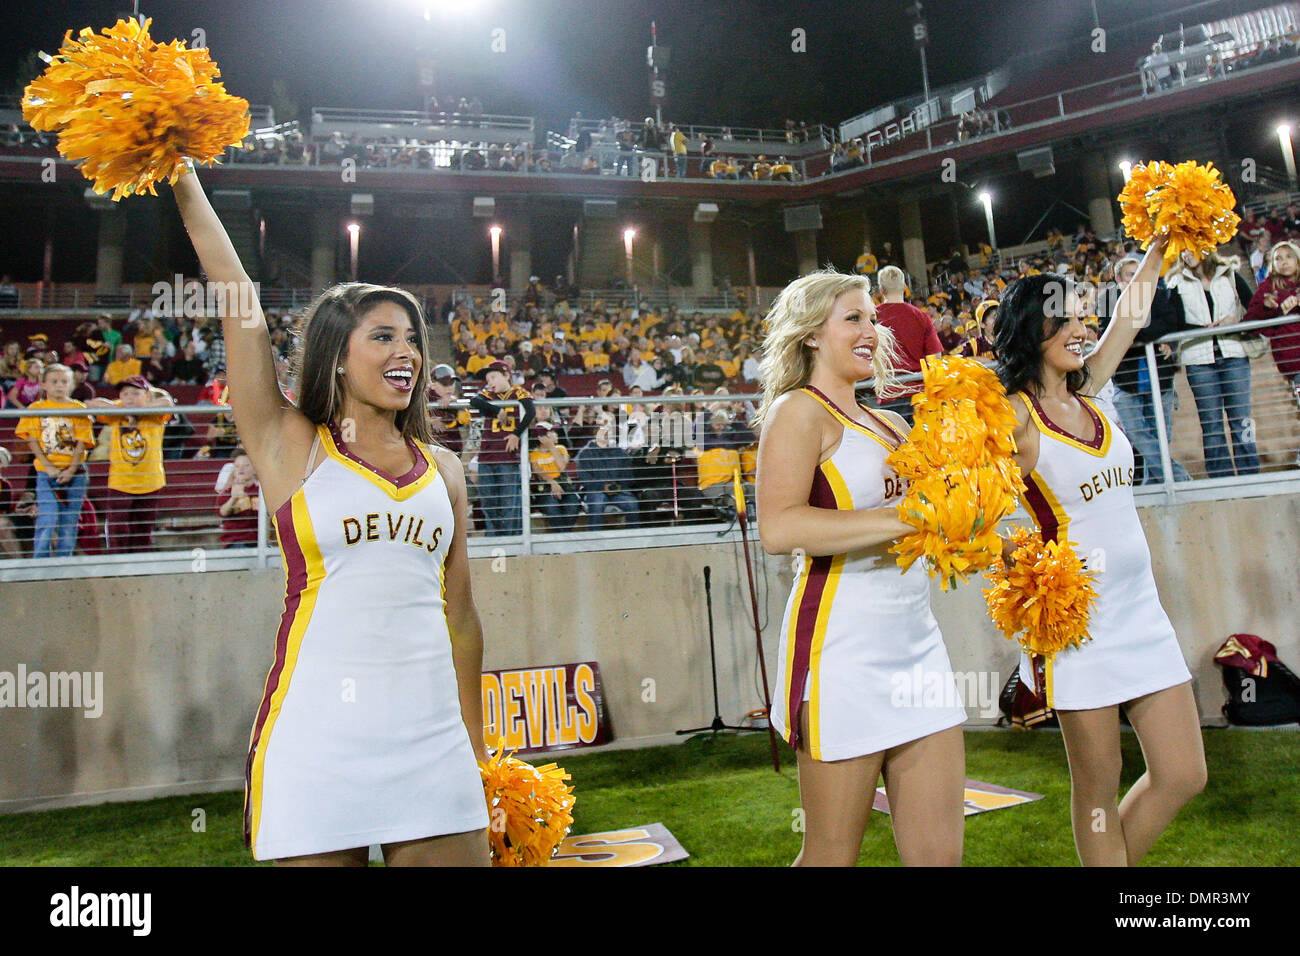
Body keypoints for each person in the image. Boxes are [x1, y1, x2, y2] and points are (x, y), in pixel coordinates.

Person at [172, 165, 489, 865]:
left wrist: (476, 747)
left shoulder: (445, 472)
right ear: (338, 359)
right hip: (316, 738)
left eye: (410, 337)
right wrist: (182, 175)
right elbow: (238, 298)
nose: (405, 351)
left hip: (433, 738)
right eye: (382, 337)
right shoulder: (291, 446)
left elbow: (462, 622)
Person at [994, 236, 1206, 866]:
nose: (1082, 328)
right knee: (1096, 785)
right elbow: (974, 513)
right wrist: (1013, 563)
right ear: (1034, 328)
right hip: (1077, 626)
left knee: (1183, 773)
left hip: (1142, 611)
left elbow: (1130, 314)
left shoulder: (1092, 392)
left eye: (1084, 316)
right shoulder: (1013, 416)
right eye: (1066, 318)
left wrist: (1161, 246)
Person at [755, 269, 967, 867]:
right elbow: (780, 528)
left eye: (873, 318)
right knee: (830, 855)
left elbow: (934, 521)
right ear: (811, 335)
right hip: (838, 652)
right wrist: (906, 517)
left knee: (939, 860)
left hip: (917, 644)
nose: (872, 330)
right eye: (854, 318)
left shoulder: (892, 423)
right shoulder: (798, 413)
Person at [1163, 250, 1259, 477]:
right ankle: (1220, 479)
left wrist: (1237, 321)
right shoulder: (1175, 281)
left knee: (1241, 419)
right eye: (1182, 250)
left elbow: (1255, 308)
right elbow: (1174, 322)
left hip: (1234, 355)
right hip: (1199, 361)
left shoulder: (1230, 274)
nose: (1186, 254)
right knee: (1211, 423)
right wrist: (1204, 330)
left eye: (1190, 247)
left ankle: (1251, 474)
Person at [1101, 255, 1192, 484]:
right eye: (1132, 274)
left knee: (1162, 435)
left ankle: (1155, 482)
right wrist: (1147, 330)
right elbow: (1108, 331)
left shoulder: (1159, 295)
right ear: (1119, 279)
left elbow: (1170, 323)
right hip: (1126, 381)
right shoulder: (1108, 299)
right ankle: (1179, 478)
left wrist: (1133, 329)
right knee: (1139, 435)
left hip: (1160, 378)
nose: (1138, 278)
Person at [86, 376, 175, 553]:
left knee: (143, 530)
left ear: (147, 396)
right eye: (125, 394)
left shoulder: (155, 415)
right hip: (121, 483)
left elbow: (167, 402)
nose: (130, 397)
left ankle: (140, 566)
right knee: (117, 530)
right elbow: (92, 403)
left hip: (150, 482)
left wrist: (139, 410)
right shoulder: (117, 412)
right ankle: (118, 565)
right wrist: (122, 411)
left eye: (136, 393)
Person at [15, 364, 94, 558]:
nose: (59, 386)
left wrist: (71, 469)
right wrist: (48, 466)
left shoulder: (78, 408)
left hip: (75, 474)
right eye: (54, 382)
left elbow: (82, 442)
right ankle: (40, 561)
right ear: (44, 385)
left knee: (69, 521)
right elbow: (32, 440)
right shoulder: (36, 408)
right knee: (47, 518)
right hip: (46, 472)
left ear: (71, 384)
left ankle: (63, 561)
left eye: (64, 382)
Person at [1245, 240, 1300, 461]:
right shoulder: (1268, 288)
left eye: (1288, 257)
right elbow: (1249, 321)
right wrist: (1268, 308)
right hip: (1294, 360)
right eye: (1278, 258)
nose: (1284, 262)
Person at [469, 360, 533, 536]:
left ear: (506, 376)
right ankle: (494, 537)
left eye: (493, 377)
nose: (490, 382)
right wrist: (497, 411)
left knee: (508, 503)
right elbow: (475, 401)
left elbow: (531, 412)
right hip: (487, 456)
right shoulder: (488, 395)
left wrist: (516, 434)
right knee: (488, 501)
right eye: (488, 379)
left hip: (507, 457)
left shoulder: (519, 392)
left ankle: (509, 539)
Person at [873, 265, 943, 424]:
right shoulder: (921, 316)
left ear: (881, 290)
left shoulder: (872, 317)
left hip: (889, 394)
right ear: (905, 287)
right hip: (919, 395)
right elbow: (936, 358)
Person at [217, 450, 260, 547]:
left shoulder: (261, 492)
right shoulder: (228, 491)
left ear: (254, 469)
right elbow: (222, 512)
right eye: (237, 466)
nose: (241, 469)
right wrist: (233, 498)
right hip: (236, 541)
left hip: (259, 540)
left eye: (246, 465)